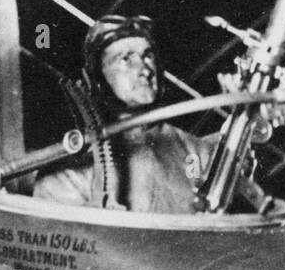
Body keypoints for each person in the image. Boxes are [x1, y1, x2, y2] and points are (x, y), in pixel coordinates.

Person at [33, 15, 215, 214]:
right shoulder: (69, 174)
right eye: (125, 59)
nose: (144, 69)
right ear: (97, 78)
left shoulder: (193, 152)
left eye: (147, 56)